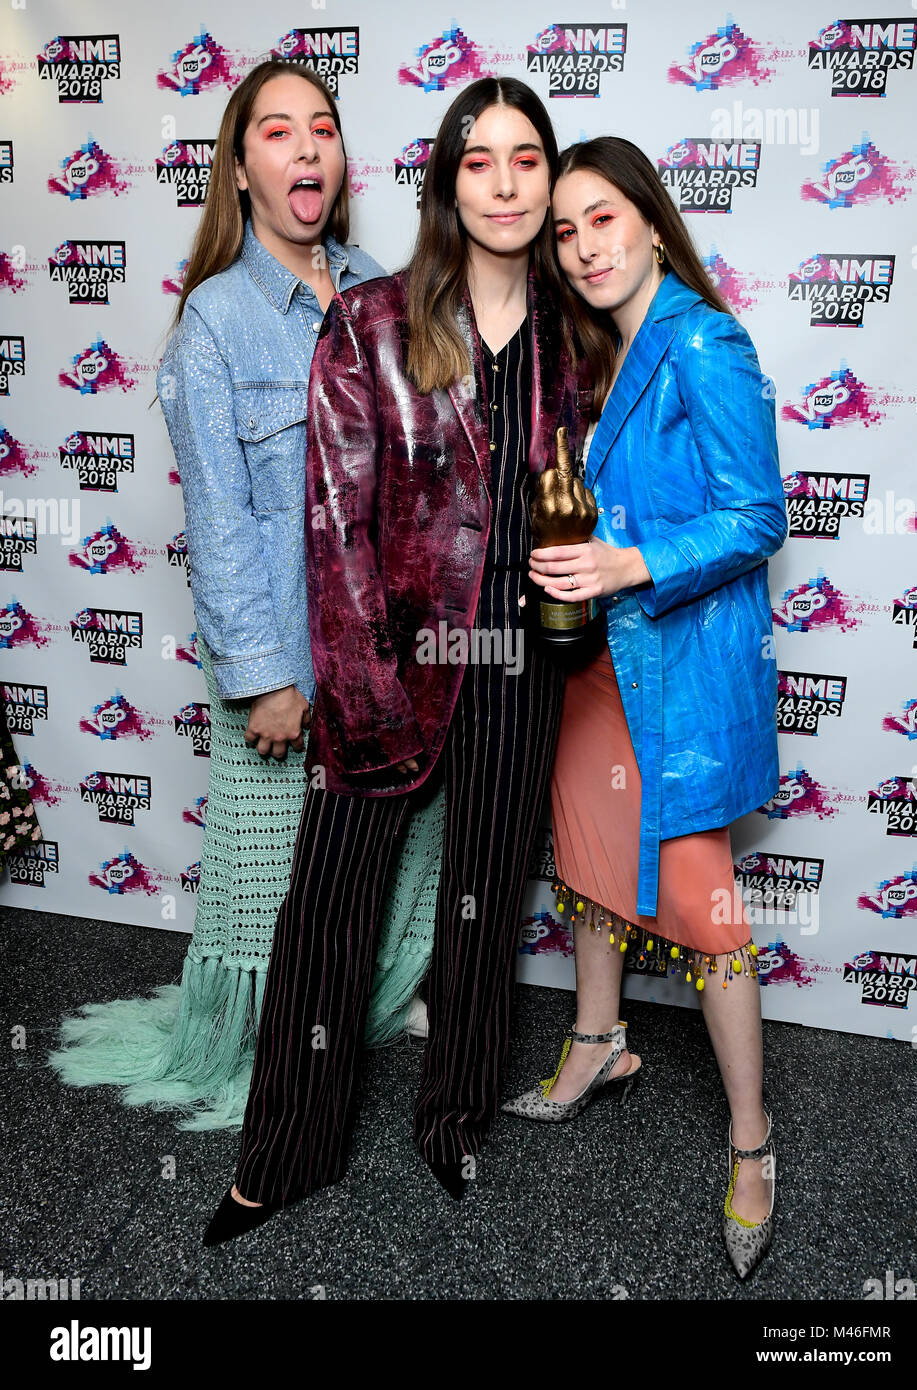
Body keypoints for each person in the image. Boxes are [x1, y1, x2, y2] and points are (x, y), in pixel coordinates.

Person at [203, 75, 590, 1245]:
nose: (508, 181)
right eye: (483, 160)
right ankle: (283, 1151)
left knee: (482, 902)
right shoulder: (372, 322)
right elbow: (334, 522)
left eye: (528, 159)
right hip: (397, 662)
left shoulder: (579, 330)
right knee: (326, 909)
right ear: (447, 180)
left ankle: (455, 1115)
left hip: (522, 662)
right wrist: (363, 689)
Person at [47, 59, 442, 1132]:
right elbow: (218, 521)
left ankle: (362, 1000)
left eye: (321, 127)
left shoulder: (387, 294)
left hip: (393, 659)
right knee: (271, 876)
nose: (306, 146)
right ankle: (271, 1051)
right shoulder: (215, 323)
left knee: (397, 848)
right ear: (240, 168)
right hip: (290, 663)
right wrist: (265, 677)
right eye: (276, 131)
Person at [502, 136, 787, 1281]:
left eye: (600, 219)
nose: (579, 247)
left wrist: (628, 566)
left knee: (707, 913)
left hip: (668, 676)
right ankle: (596, 1042)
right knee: (584, 865)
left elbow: (755, 515)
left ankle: (753, 1140)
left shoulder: (704, 342)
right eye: (563, 232)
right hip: (590, 675)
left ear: (653, 225)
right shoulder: (597, 353)